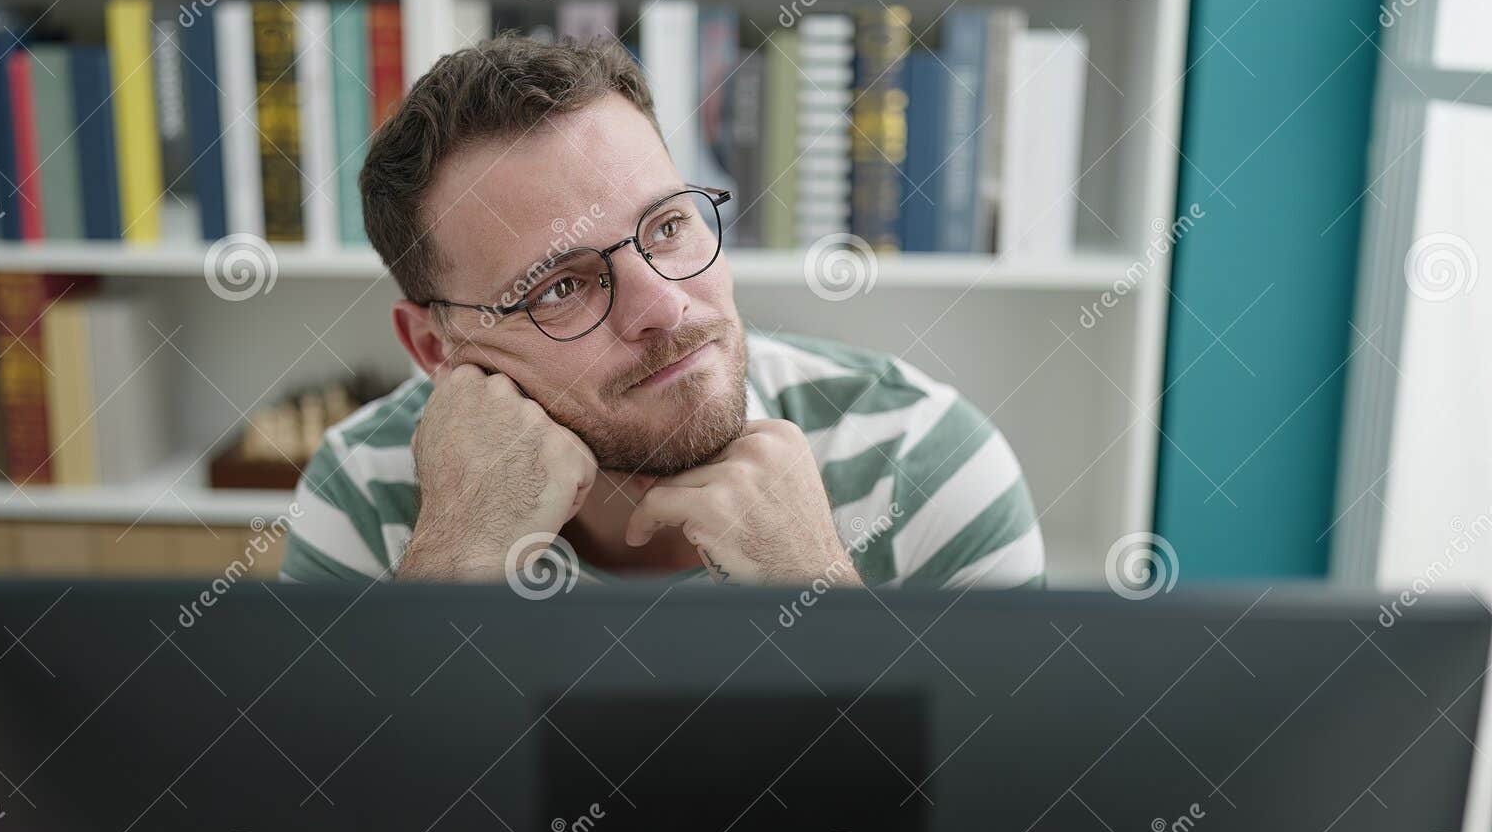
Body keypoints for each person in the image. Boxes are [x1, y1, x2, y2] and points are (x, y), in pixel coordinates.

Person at [280, 34, 1044, 590]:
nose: (666, 306)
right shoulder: (363, 487)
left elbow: (994, 778)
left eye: (668, 227)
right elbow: (341, 778)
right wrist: (456, 562)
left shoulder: (927, 462)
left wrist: (816, 589)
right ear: (434, 346)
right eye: (561, 287)